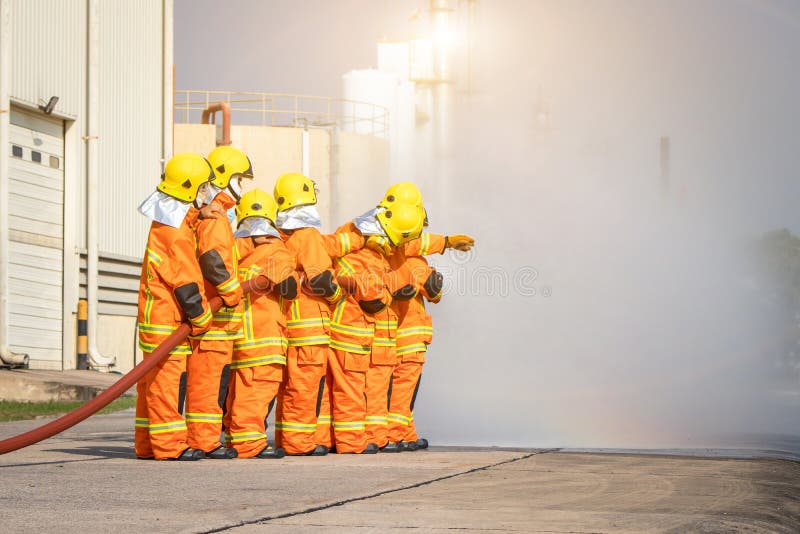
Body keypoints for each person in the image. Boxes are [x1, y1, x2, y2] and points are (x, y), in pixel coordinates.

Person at [374, 183, 475, 451]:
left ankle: (405, 432)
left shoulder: (382, 251)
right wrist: (445, 249)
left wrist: (446, 243)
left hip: (384, 335)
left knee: (391, 389)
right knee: (404, 388)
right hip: (409, 337)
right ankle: (396, 433)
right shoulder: (414, 263)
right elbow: (434, 292)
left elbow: (418, 243)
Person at [134, 153, 216, 461]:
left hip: (158, 318)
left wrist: (203, 215)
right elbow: (184, 281)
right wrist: (201, 316)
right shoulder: (175, 233)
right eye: (204, 189)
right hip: (166, 322)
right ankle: (169, 447)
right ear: (190, 189)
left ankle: (147, 444)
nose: (207, 194)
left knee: (151, 385)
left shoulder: (169, 224)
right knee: (167, 384)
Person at [327, 202, 425, 453]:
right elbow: (374, 302)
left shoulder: (367, 256)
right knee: (351, 391)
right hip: (351, 335)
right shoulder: (366, 260)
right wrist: (393, 295)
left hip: (352, 334)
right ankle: (351, 442)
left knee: (340, 392)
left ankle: (331, 439)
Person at [272, 173, 351, 456]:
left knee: (290, 386)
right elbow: (320, 280)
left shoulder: (285, 236)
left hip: (291, 324)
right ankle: (299, 443)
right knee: (305, 387)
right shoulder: (308, 236)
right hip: (310, 328)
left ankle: (286, 439)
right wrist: (337, 295)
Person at [185, 146, 253, 459]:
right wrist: (229, 292)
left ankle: (208, 439)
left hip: (222, 324)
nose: (243, 186)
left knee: (216, 384)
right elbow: (211, 260)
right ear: (225, 177)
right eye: (240, 178)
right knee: (206, 384)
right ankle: (203, 441)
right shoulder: (214, 219)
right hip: (214, 321)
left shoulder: (219, 216)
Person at [223, 189, 298, 459]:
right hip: (265, 338)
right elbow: (289, 289)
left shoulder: (233, 251)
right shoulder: (276, 252)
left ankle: (234, 438)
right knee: (257, 392)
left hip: (238, 338)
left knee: (239, 393)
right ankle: (249, 444)